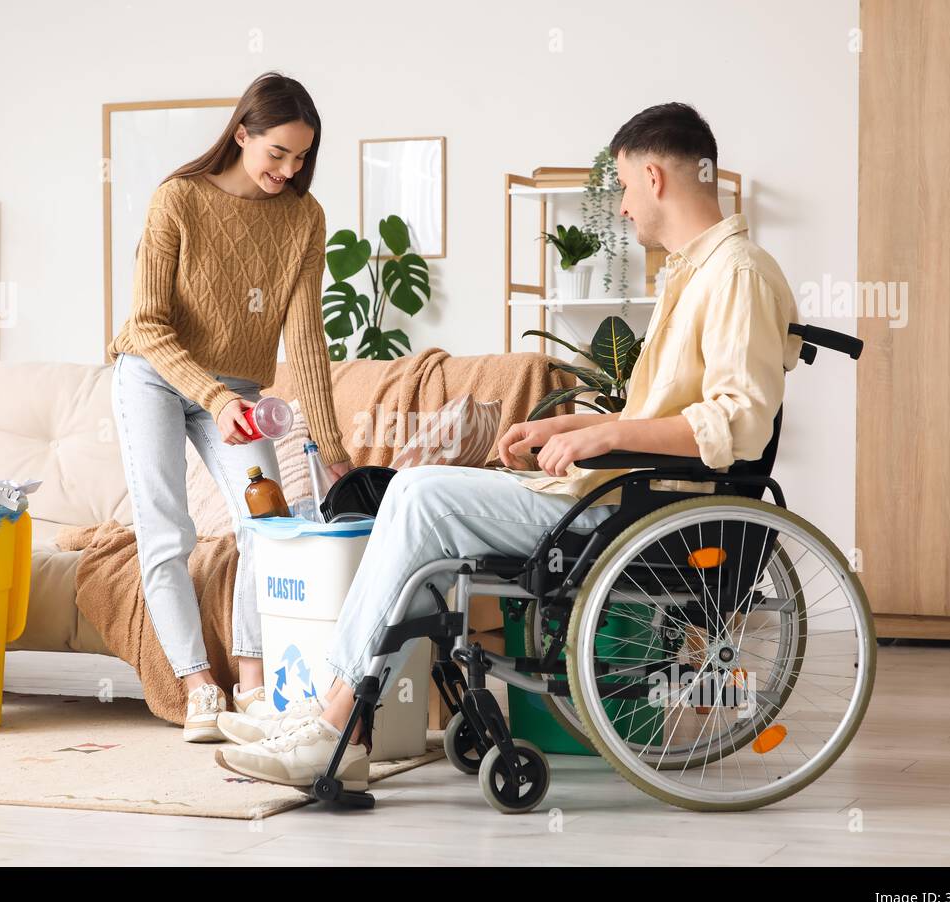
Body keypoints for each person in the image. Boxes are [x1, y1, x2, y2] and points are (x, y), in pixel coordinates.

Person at [213, 102, 802, 789]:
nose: (621, 210)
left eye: (623, 189)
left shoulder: (736, 273)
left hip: (650, 515)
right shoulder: (693, 273)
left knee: (420, 494)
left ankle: (333, 725)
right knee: (413, 496)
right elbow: (668, 411)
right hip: (624, 497)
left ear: (654, 177)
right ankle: (338, 718)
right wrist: (570, 427)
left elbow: (736, 425)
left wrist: (607, 433)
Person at [107, 73, 352, 743]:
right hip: (154, 376)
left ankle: (250, 683)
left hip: (237, 393)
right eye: (277, 153)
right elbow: (149, 325)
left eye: (301, 157)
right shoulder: (178, 200)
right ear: (242, 134)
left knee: (264, 524)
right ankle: (197, 687)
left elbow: (304, 337)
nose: (289, 170)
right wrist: (211, 398)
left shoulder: (304, 217)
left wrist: (334, 453)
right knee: (166, 533)